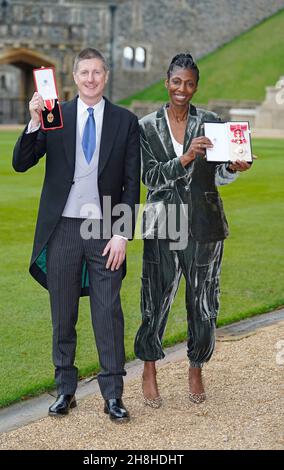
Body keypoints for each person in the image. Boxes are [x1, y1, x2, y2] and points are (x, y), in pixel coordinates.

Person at [13, 48, 140, 421]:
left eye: (97, 72)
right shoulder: (57, 116)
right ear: (74, 76)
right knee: (63, 314)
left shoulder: (125, 121)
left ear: (106, 75)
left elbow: (131, 184)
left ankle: (113, 394)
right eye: (84, 72)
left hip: (104, 230)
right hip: (63, 229)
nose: (90, 79)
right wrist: (35, 120)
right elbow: (21, 163)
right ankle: (65, 389)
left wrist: (122, 234)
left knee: (108, 313)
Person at [134, 53, 251, 407]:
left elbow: (220, 176)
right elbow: (149, 176)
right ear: (166, 82)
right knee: (155, 299)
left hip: (205, 225)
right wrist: (185, 157)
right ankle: (150, 368)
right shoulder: (145, 127)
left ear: (196, 86)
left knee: (203, 300)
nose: (181, 89)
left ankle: (196, 366)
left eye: (188, 83)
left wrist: (234, 167)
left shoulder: (212, 123)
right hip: (162, 223)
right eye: (176, 82)